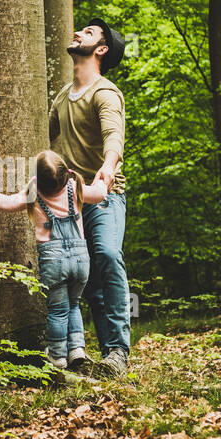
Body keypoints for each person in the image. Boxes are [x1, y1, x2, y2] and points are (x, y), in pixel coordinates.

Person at [0, 150, 108, 373]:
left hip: (54, 261)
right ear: (65, 173)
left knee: (57, 309)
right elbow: (101, 194)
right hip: (81, 260)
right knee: (74, 304)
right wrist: (103, 179)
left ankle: (56, 357)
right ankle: (77, 351)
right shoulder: (75, 187)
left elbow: (6, 202)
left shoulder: (33, 193)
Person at [48, 19, 131, 374]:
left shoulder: (105, 93)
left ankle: (117, 352)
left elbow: (114, 135)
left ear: (101, 50)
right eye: (79, 29)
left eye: (90, 32)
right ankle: (76, 353)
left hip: (104, 195)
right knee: (78, 275)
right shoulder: (61, 98)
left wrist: (108, 167)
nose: (78, 32)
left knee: (107, 255)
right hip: (68, 203)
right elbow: (44, 141)